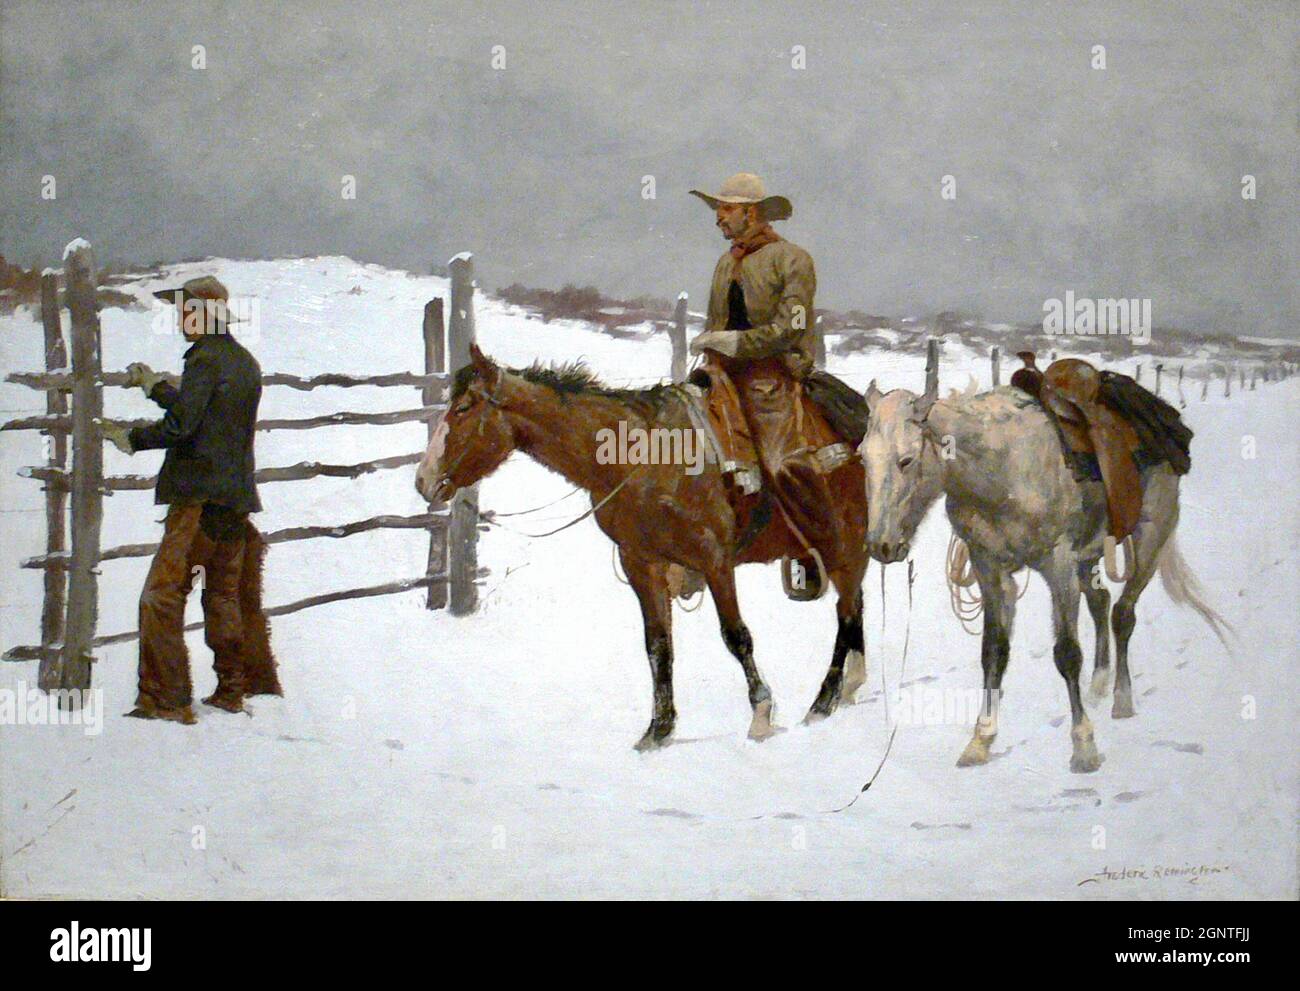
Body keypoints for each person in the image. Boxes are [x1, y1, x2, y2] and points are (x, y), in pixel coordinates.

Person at [100, 276, 280, 723]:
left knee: (160, 597)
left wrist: (131, 438)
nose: (181, 318)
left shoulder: (203, 360)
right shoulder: (243, 361)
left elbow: (183, 426)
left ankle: (166, 699)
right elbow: (204, 412)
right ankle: (232, 690)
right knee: (222, 596)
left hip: (197, 502)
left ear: (206, 313)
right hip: (233, 502)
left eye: (186, 309)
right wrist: (156, 388)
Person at [687, 173, 865, 600]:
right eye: (718, 210)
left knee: (782, 463)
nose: (718, 220)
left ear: (751, 212)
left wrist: (736, 341)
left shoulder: (794, 260)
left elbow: (791, 327)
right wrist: (712, 352)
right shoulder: (725, 263)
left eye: (725, 210)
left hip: (773, 378)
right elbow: (718, 324)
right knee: (679, 441)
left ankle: (817, 549)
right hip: (721, 374)